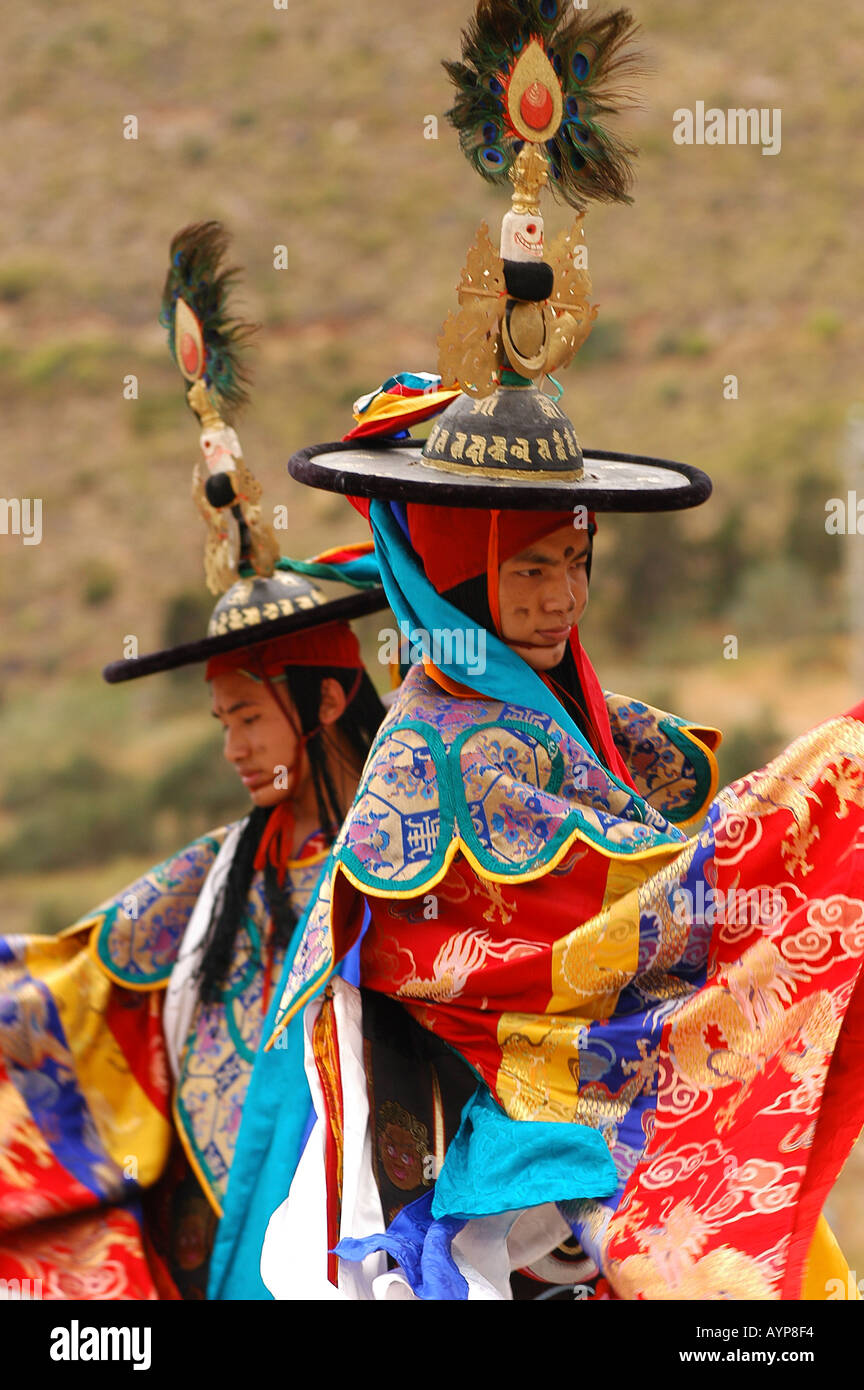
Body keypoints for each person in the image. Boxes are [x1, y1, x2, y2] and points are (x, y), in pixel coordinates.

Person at [254, 1, 864, 1300]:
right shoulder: (435, 753)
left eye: (574, 561)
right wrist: (823, 790)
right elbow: (573, 934)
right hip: (531, 1155)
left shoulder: (602, 723)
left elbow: (666, 860)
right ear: (458, 578)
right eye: (529, 567)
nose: (559, 594)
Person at [0, 223, 390, 1300]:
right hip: (229, 1245)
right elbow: (87, 966)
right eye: (221, 723)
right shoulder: (221, 876)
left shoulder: (404, 852)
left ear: (325, 698)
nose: (234, 746)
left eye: (250, 718)